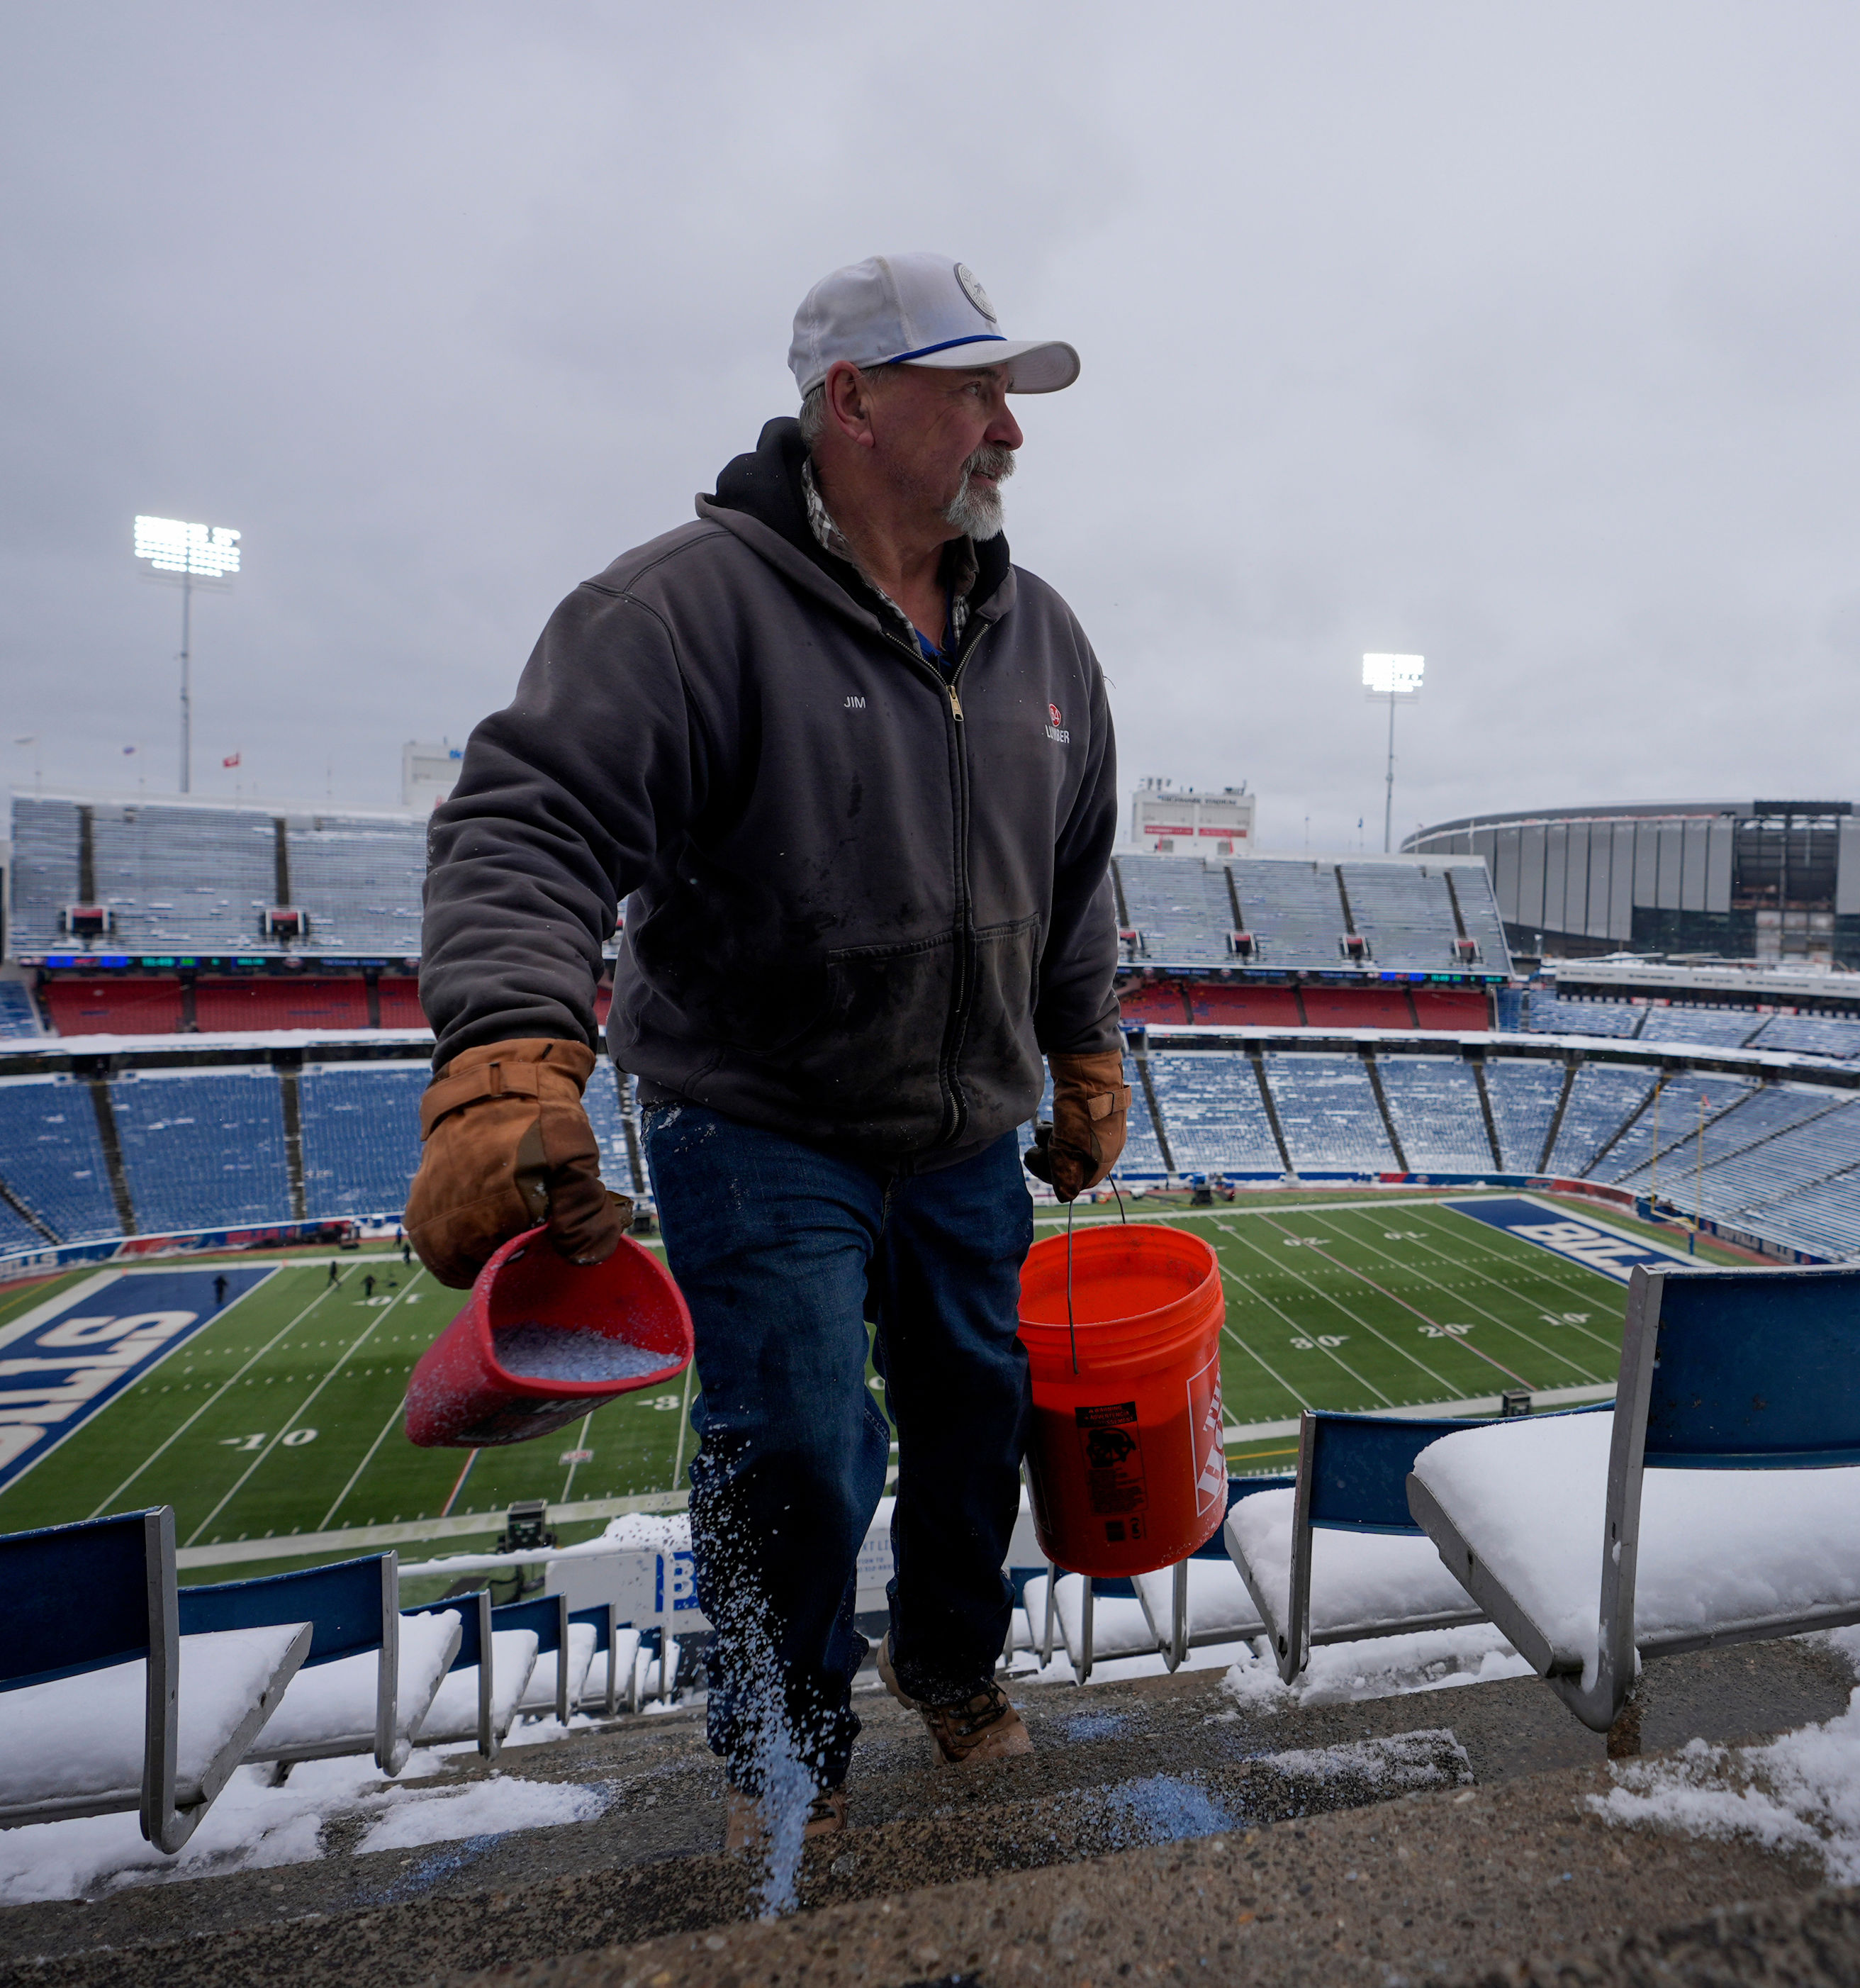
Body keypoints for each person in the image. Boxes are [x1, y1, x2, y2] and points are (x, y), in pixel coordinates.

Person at [405, 253, 1126, 1848]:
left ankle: (949, 1667)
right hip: (761, 1119)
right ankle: (779, 1744)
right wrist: (513, 1059)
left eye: (1012, 395)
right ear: (851, 402)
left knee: (974, 1428)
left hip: (965, 1130)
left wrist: (1084, 1056)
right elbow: (530, 826)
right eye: (974, 391)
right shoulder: (674, 610)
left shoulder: (1048, 641)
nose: (1011, 427)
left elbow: (1077, 879)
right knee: (795, 1442)